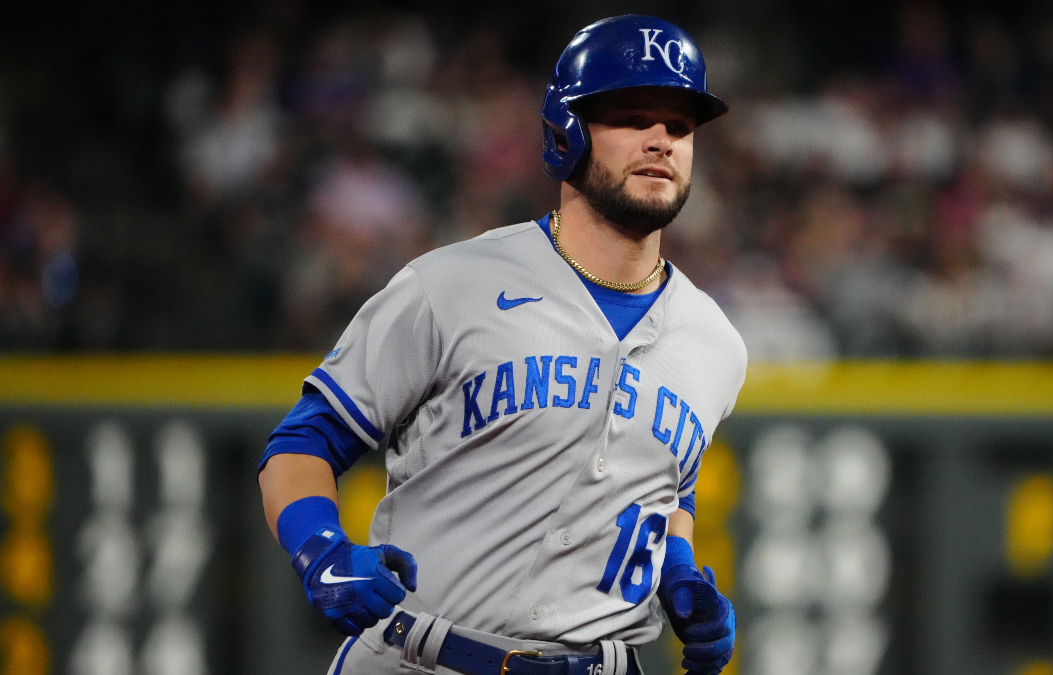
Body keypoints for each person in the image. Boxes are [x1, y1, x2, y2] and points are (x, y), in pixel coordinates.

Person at [257, 15, 746, 675]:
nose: (661, 140)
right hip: (421, 657)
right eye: (632, 118)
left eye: (680, 126)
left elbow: (669, 489)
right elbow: (305, 439)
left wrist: (680, 573)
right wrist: (320, 551)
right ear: (567, 133)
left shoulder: (716, 343)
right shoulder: (452, 284)